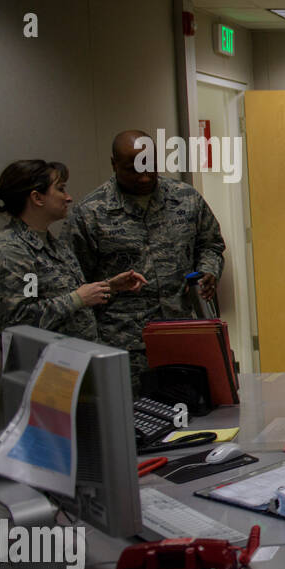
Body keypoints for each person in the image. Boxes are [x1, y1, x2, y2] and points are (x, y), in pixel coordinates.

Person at [64, 130, 225, 381]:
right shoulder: (90, 213)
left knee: (192, 414)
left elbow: (211, 244)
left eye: (150, 164)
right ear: (113, 164)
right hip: (125, 346)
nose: (144, 176)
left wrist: (209, 270)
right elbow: (74, 281)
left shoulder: (185, 198)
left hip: (184, 334)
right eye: (133, 169)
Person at [0, 160, 145, 343]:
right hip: (44, 367)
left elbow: (59, 295)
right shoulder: (10, 251)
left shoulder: (54, 244)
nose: (68, 197)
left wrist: (108, 287)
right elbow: (17, 322)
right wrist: (77, 299)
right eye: (60, 189)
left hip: (75, 360)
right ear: (37, 198)